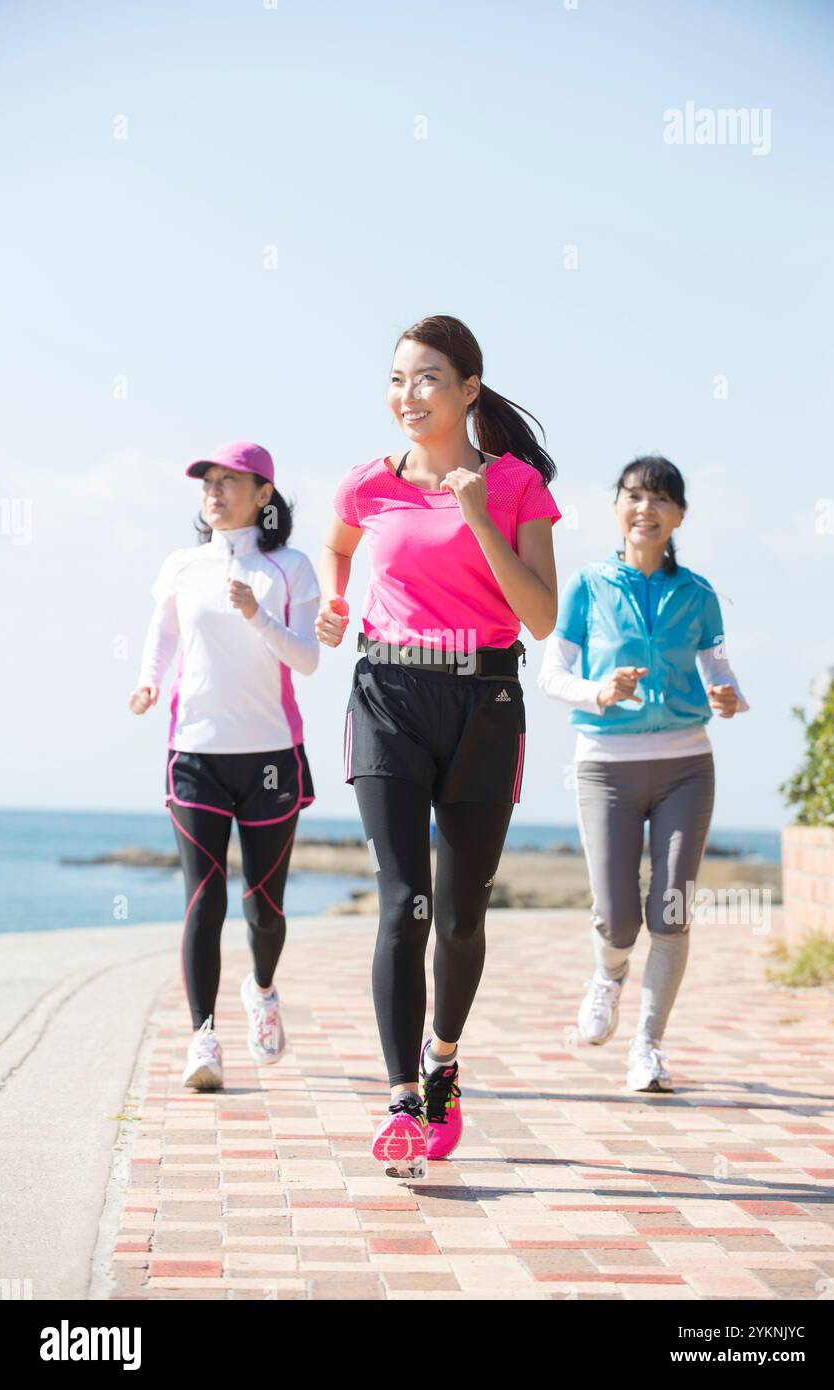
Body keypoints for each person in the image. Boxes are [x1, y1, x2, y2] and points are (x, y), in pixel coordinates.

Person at [316, 315, 562, 1177]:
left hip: (485, 700)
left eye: (425, 379)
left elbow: (539, 616)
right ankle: (398, 1102)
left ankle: (443, 1062)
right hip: (386, 695)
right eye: (395, 379)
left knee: (458, 915)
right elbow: (338, 544)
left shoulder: (517, 485)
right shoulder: (365, 485)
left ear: (466, 389)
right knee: (401, 900)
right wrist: (336, 600)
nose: (406, 396)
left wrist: (478, 518)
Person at [538, 455, 749, 1091]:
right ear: (615, 508)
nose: (645, 509)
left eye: (660, 500)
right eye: (633, 496)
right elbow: (551, 677)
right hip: (606, 767)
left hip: (687, 764)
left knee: (673, 910)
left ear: (679, 514)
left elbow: (721, 672)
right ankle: (608, 973)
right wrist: (599, 692)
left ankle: (648, 1049)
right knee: (617, 918)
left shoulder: (699, 595)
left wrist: (730, 696)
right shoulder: (587, 587)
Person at [129, 442, 319, 1090]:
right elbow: (161, 633)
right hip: (195, 754)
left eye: (229, 480)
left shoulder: (289, 567)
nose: (213, 490)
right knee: (203, 898)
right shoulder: (182, 565)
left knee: (264, 908)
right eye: (207, 481)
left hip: (269, 756)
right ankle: (202, 1039)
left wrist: (256, 615)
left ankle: (261, 990)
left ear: (263, 493)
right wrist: (148, 683)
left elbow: (307, 659)